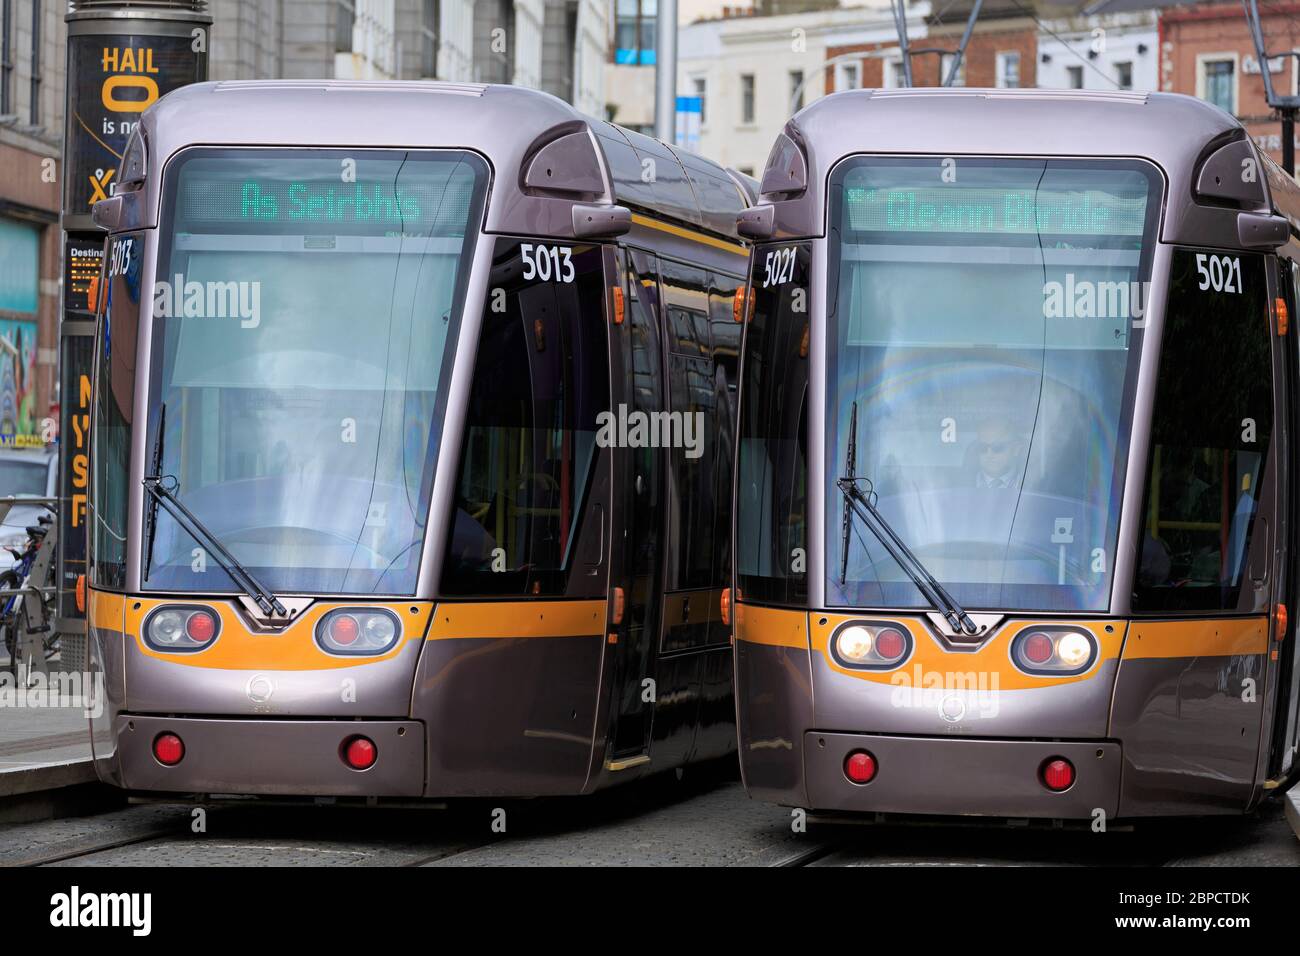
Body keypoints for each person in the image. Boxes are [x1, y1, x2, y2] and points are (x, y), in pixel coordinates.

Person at [972, 419, 1023, 490]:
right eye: (982, 447)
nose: (989, 455)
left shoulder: (1034, 486)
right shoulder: (959, 484)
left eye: (997, 447)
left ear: (1015, 449)